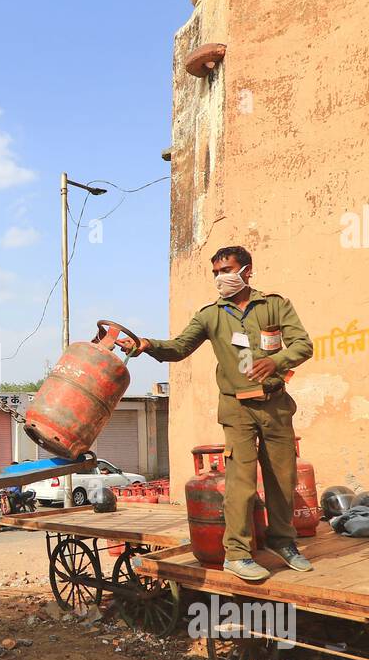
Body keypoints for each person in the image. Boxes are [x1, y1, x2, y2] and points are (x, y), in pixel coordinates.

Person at [122, 246, 314, 581]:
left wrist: (276, 361)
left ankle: (284, 543)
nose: (220, 278)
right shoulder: (211, 315)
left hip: (275, 405)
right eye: (215, 273)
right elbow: (179, 347)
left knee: (283, 480)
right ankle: (237, 555)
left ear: (247, 271)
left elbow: (303, 344)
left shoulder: (274, 305)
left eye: (226, 270)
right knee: (240, 483)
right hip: (237, 408)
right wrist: (146, 345)